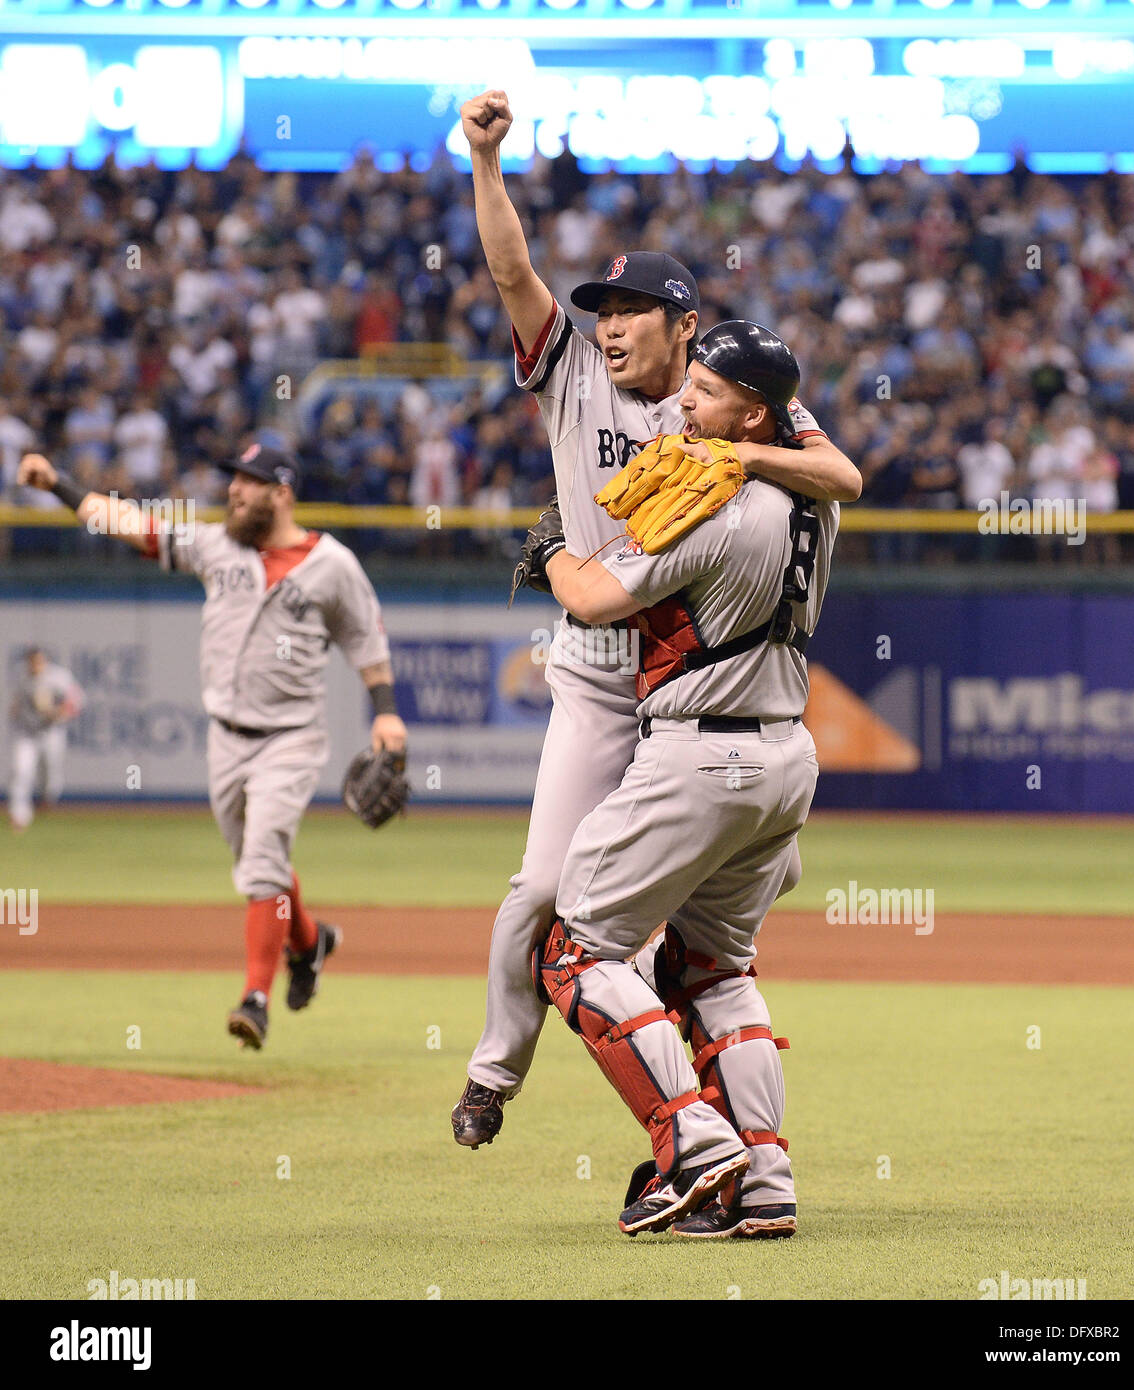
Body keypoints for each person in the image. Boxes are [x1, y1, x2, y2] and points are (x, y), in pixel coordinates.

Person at [450, 88, 861, 1149]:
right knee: (545, 890)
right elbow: (509, 272)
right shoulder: (576, 377)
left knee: (691, 944)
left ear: (687, 327)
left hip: (704, 689)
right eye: (604, 308)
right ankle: (496, 1071)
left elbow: (841, 472)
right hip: (602, 671)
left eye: (631, 309)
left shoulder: (727, 391)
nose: (610, 323)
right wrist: (488, 166)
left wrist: (740, 452)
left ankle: (699, 1136)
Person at [533, 322, 838, 1238]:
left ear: (752, 412)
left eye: (704, 391)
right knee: (713, 967)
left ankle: (694, 1141)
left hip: (701, 753)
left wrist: (551, 542)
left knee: (577, 950)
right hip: (786, 755)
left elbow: (589, 596)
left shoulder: (715, 502)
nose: (686, 404)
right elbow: (832, 468)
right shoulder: (814, 499)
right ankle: (768, 1172)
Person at [16, 443, 406, 1049]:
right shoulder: (214, 546)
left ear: (281, 493)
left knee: (262, 862)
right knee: (259, 861)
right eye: (232, 481)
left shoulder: (332, 565)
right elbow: (129, 524)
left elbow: (367, 643)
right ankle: (310, 941)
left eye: (248, 483)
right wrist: (58, 483)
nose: (233, 492)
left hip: (292, 738)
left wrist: (386, 716)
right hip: (225, 740)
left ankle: (255, 998)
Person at [7, 646, 85, 831]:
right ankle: (20, 816)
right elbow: (14, 704)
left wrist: (59, 712)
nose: (35, 665)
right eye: (32, 662)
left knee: (49, 777)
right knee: (20, 771)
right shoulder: (21, 677)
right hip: (26, 733)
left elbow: (78, 700)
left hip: (51, 732)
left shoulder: (59, 677)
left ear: (45, 661)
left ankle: (47, 799)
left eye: (39, 661)